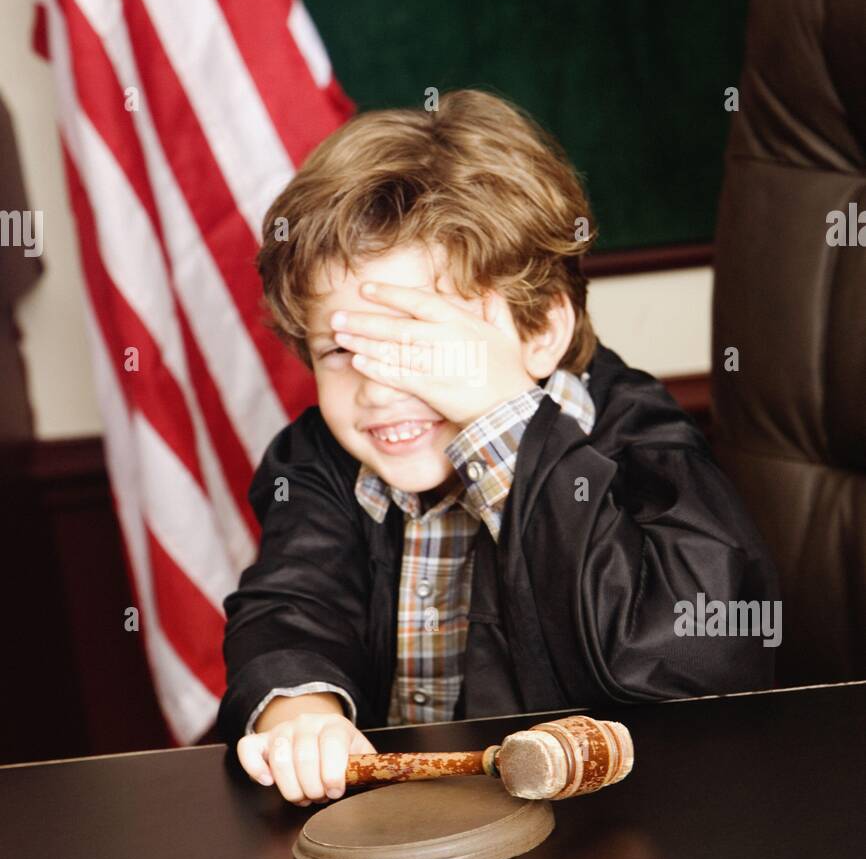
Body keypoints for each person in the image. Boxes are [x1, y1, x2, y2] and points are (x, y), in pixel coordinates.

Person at [216, 89, 778, 805]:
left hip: (606, 844)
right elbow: (293, 602)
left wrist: (501, 424)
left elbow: (686, 657)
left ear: (540, 330)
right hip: (410, 836)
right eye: (340, 351)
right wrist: (300, 710)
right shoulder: (321, 458)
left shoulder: (644, 446)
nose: (379, 388)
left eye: (418, 346)